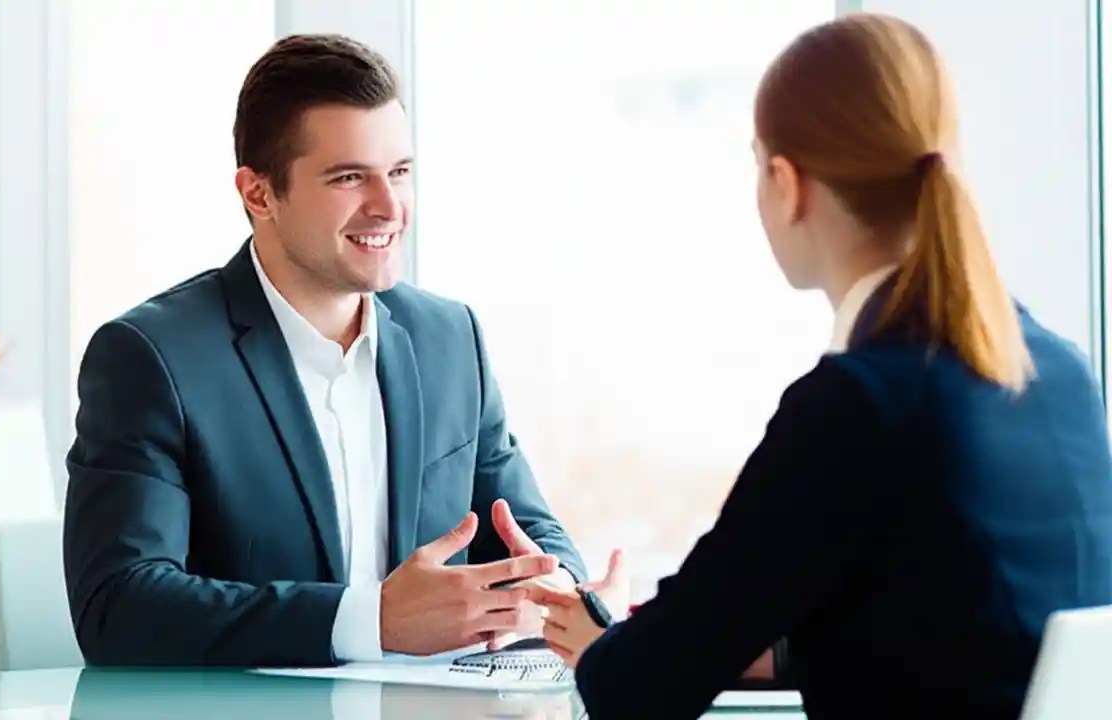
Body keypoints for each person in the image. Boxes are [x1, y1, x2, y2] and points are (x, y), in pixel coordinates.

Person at [528, 13, 1112, 719]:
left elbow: (640, 689)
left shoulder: (860, 404)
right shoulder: (1062, 373)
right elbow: (956, 628)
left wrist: (601, 646)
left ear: (786, 182)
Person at [63, 34, 585, 668]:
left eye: (399, 172)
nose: (389, 207)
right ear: (259, 194)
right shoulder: (151, 358)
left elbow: (531, 535)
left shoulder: (451, 339)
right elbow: (119, 607)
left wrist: (561, 591)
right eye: (348, 178)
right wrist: (372, 622)